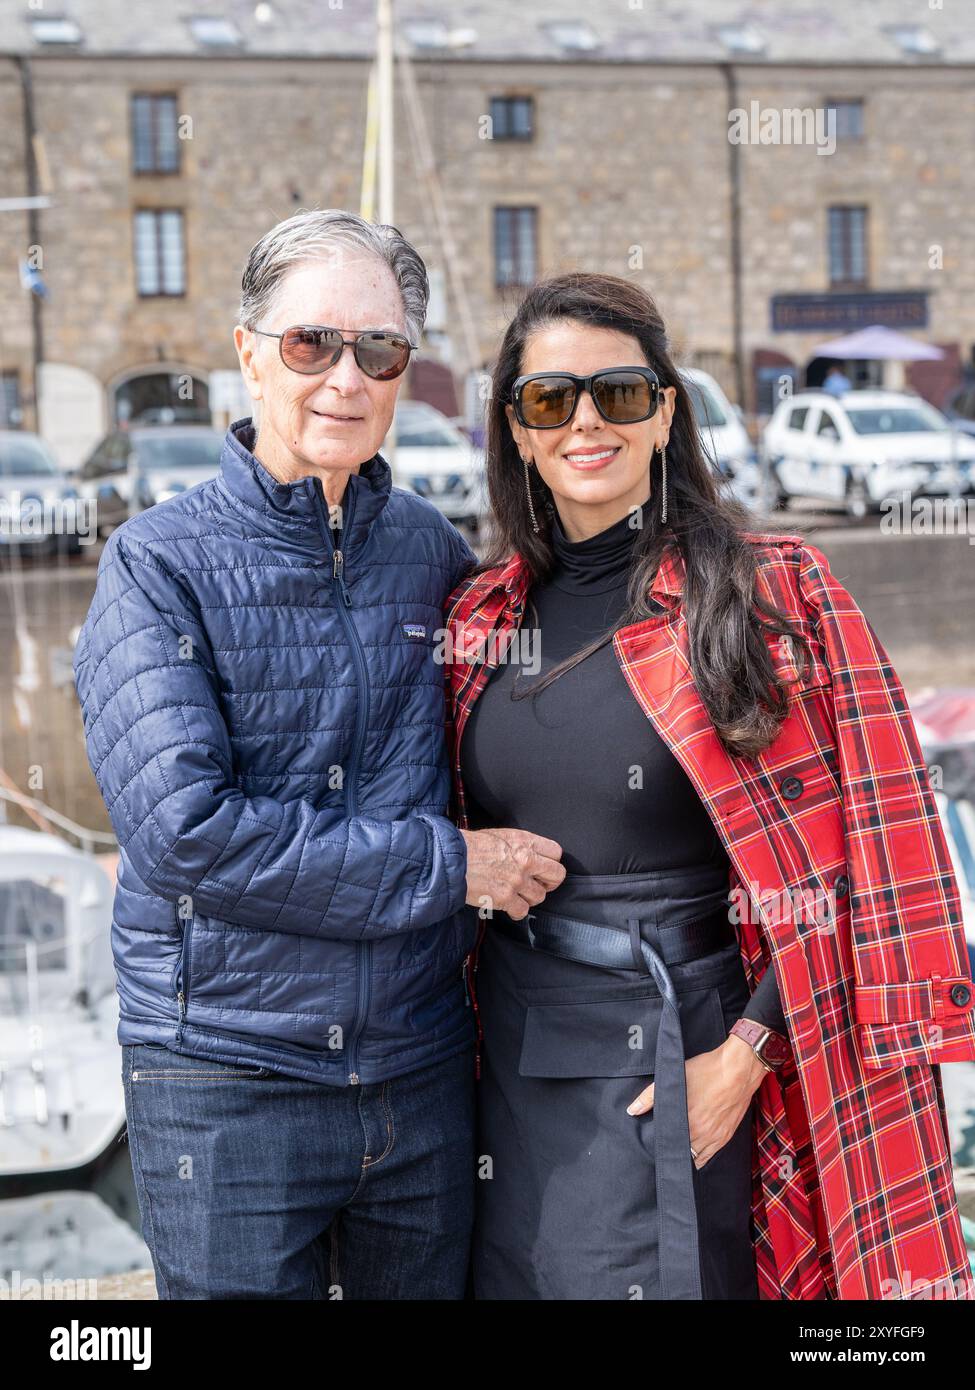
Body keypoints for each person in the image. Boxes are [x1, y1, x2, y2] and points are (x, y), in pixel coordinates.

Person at [443, 272, 975, 1300]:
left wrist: (748, 1053)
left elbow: (877, 847)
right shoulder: (475, 619)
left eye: (620, 393)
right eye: (550, 399)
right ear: (515, 427)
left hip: (692, 1049)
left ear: (667, 411)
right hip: (507, 1059)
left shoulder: (777, 592)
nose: (585, 421)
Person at [73, 209, 564, 1300]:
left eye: (378, 350)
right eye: (311, 344)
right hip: (227, 1076)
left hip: (419, 1066)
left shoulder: (436, 558)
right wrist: (454, 867)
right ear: (248, 352)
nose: (346, 377)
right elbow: (186, 835)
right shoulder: (157, 569)